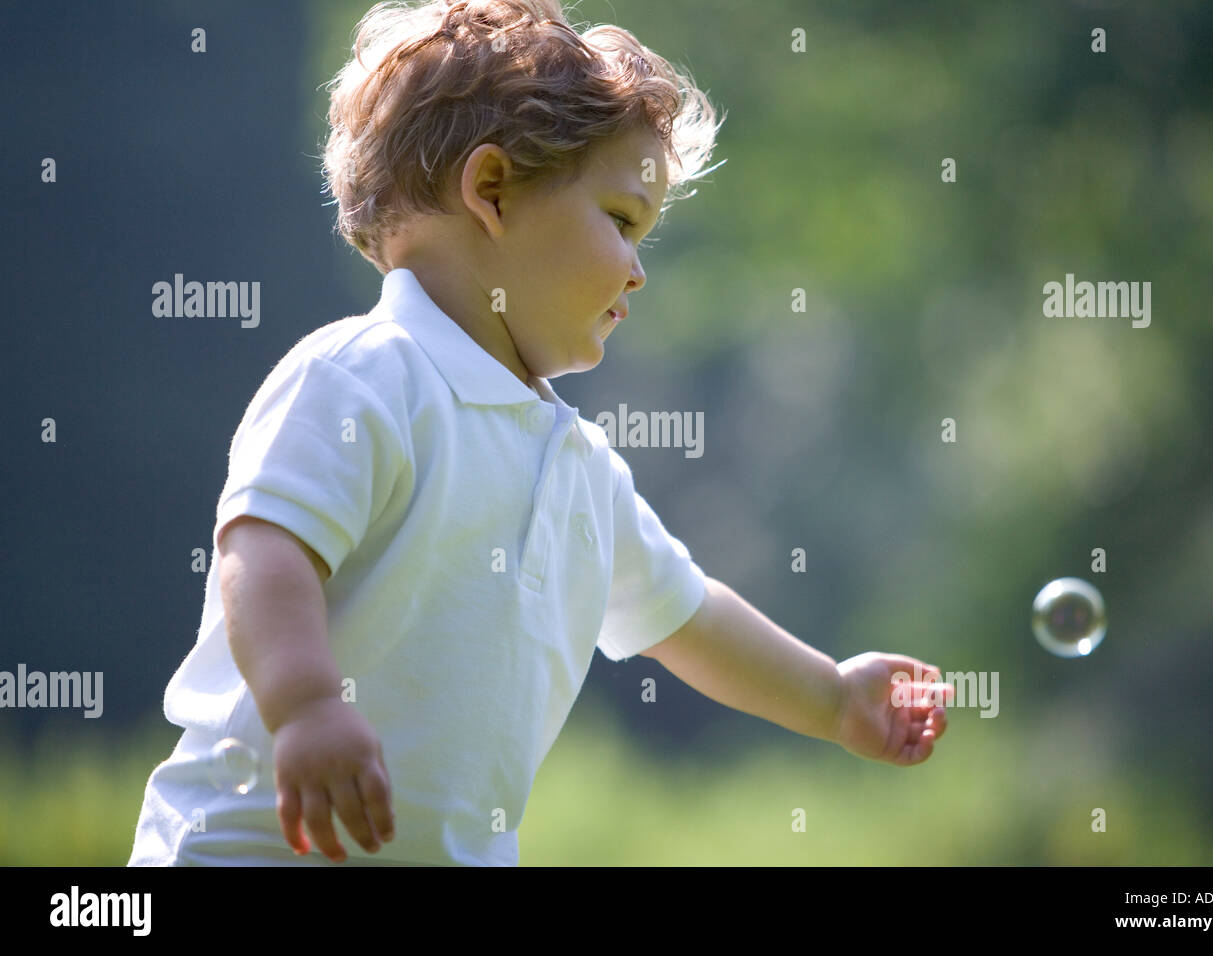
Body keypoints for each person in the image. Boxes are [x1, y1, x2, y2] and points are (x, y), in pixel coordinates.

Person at [128, 0, 948, 867]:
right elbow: (265, 548)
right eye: (623, 222)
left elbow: (688, 615)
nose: (638, 269)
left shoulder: (577, 466)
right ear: (491, 192)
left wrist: (834, 697)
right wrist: (305, 707)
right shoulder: (365, 376)